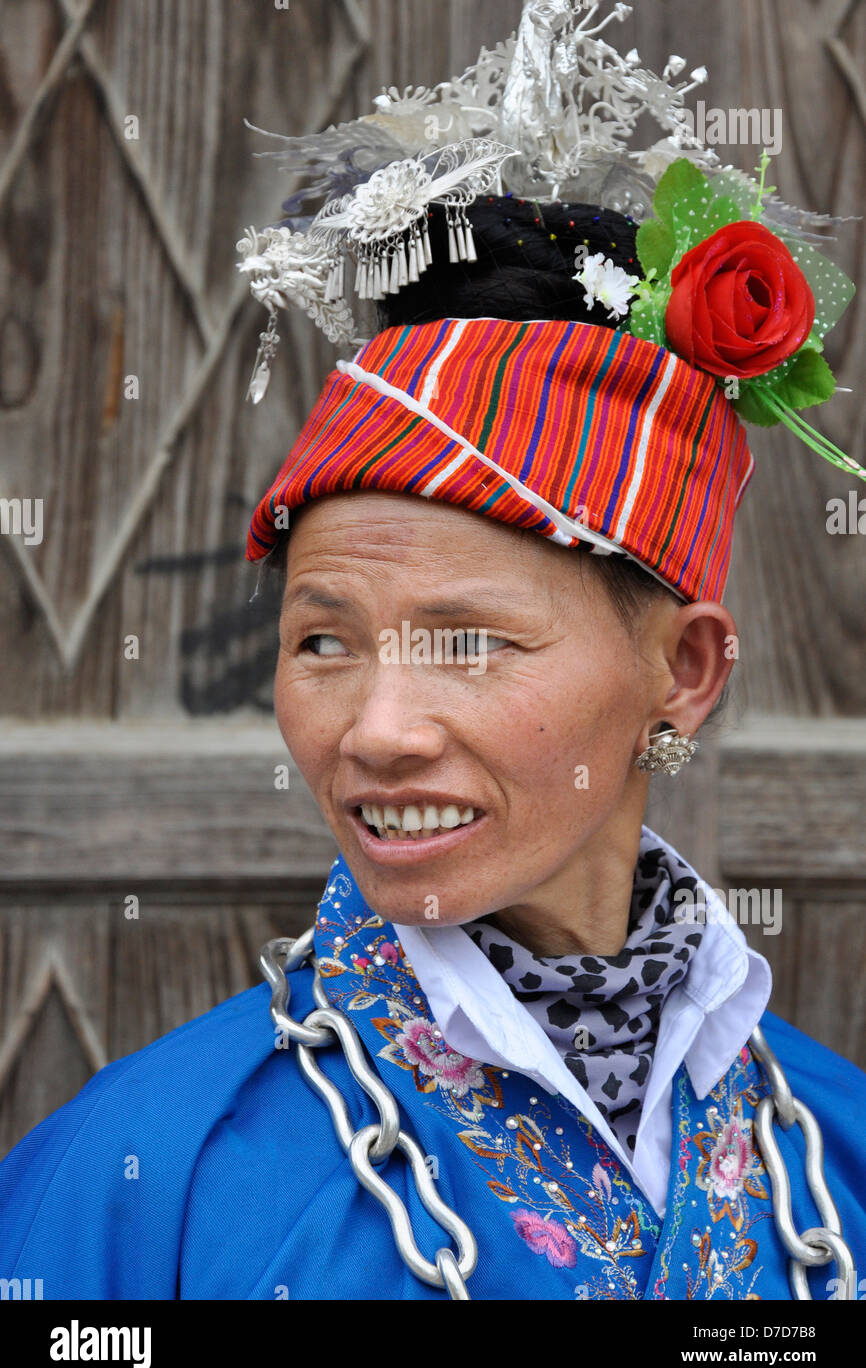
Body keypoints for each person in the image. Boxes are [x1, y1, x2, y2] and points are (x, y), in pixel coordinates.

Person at [1, 0, 864, 1301]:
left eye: (468, 640)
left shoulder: (831, 1148)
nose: (373, 729)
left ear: (681, 671)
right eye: (320, 641)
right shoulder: (135, 1184)